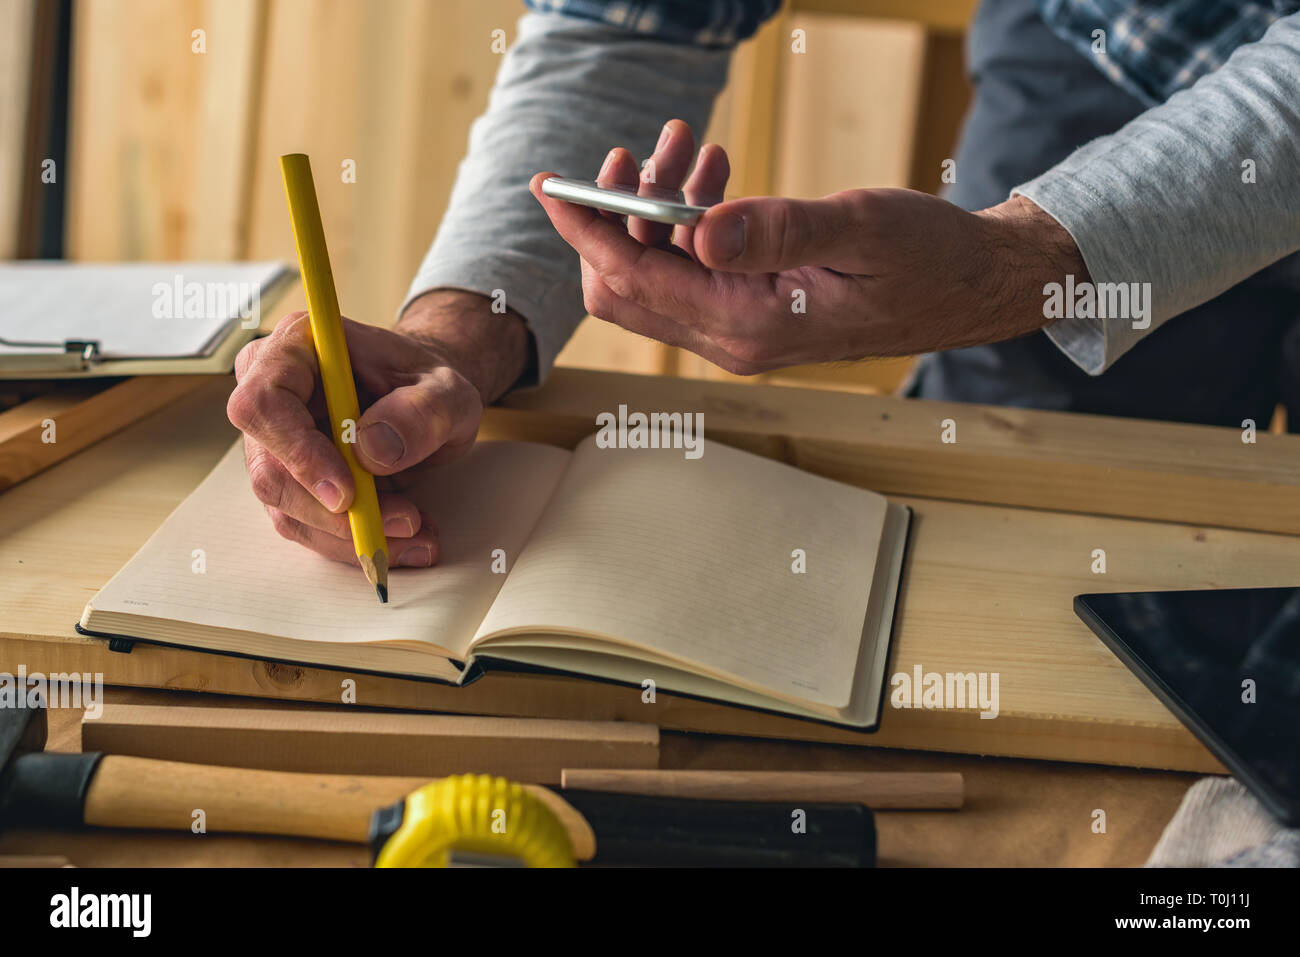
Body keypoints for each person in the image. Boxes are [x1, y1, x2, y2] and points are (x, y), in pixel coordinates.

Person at [227, 0, 1300, 568]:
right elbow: (625, 26)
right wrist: (459, 337)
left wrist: (1027, 259)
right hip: (1109, 39)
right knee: (1018, 533)